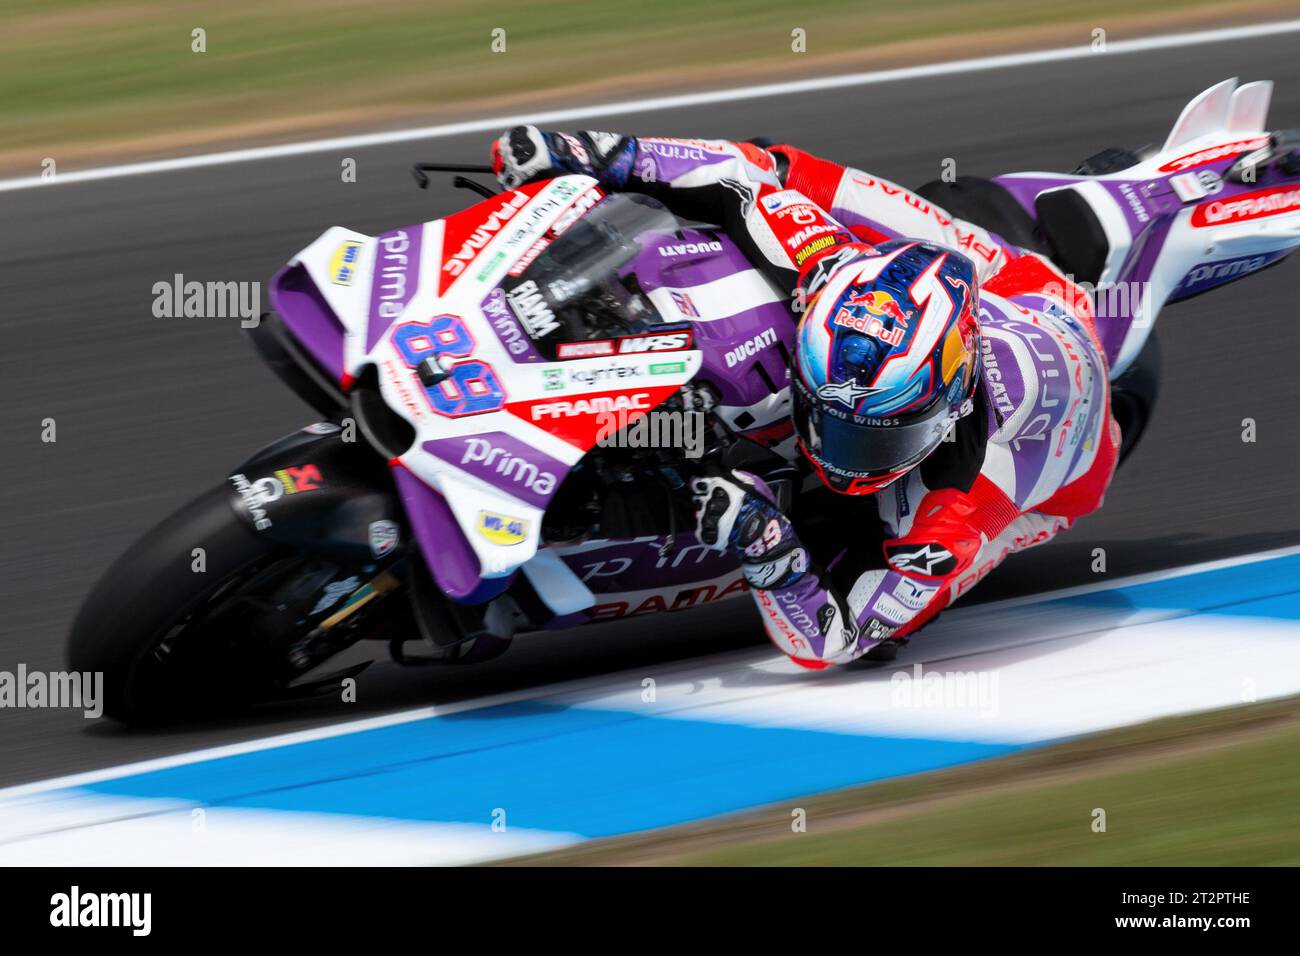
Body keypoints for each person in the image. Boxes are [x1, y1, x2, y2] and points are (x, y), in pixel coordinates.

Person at [492, 126, 1121, 667]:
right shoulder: (827, 262)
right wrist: (601, 153)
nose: (837, 453)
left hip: (1067, 439)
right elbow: (741, 174)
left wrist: (770, 545)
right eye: (825, 414)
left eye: (878, 435)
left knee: (848, 569)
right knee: (776, 164)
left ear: (948, 408)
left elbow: (832, 642)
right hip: (1001, 285)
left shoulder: (963, 506)